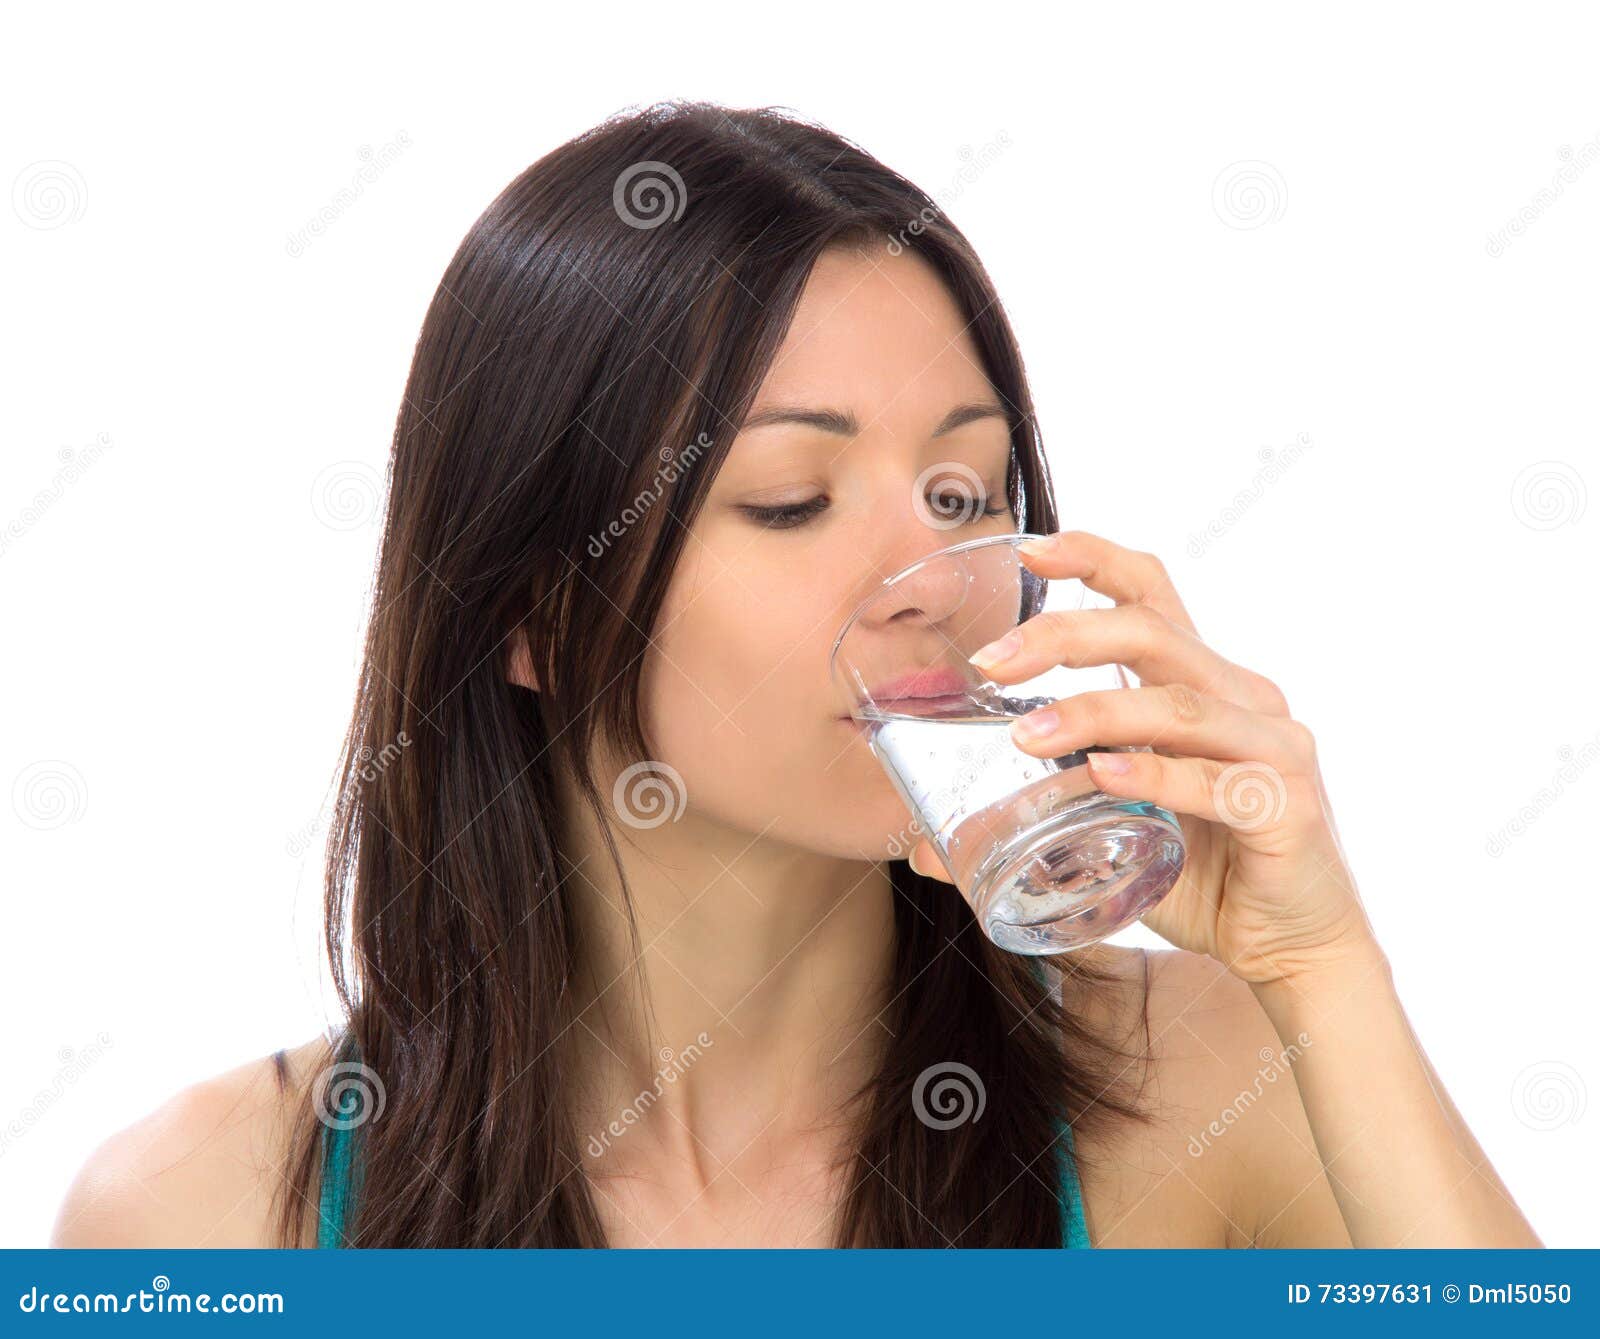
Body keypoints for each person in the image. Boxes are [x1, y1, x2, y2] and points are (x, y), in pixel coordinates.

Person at [52, 100, 1540, 1250]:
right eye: (790, 499)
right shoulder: (207, 1211)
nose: (933, 588)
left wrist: (1323, 971)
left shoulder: (1203, 1088)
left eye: (963, 495)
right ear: (531, 612)